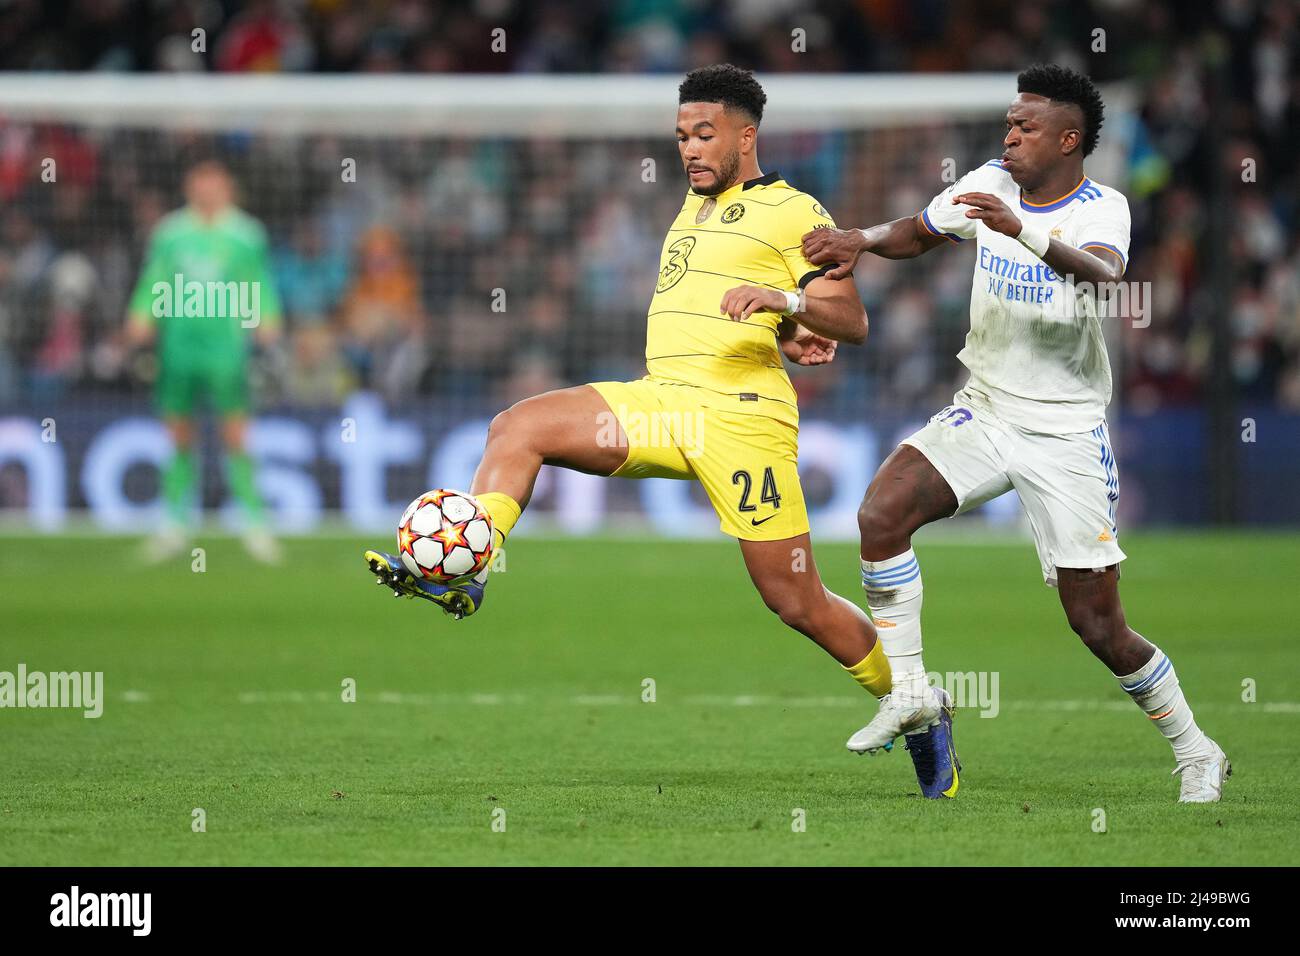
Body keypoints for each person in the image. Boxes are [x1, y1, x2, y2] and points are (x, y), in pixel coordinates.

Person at [363, 64, 960, 798]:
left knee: (795, 602)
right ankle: (474, 563)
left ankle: (920, 708)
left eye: (704, 134)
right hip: (663, 401)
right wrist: (785, 330)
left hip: (744, 421)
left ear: (747, 135)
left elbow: (851, 320)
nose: (689, 149)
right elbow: (742, 314)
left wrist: (786, 305)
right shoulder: (694, 205)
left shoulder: (794, 210)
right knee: (519, 426)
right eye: (681, 136)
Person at [802, 64, 1228, 802]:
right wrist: (860, 239)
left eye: (1024, 127)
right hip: (989, 406)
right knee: (880, 515)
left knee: (1097, 624)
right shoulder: (989, 182)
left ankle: (1196, 749)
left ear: (1069, 139)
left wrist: (1022, 230)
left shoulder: (1103, 207)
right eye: (1008, 122)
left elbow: (1104, 277)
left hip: (1063, 430)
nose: (1009, 135)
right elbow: (921, 231)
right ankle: (909, 691)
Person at [127, 160, 282, 564]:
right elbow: (155, 279)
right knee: (179, 434)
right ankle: (174, 523)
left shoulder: (245, 234)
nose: (207, 191)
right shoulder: (171, 233)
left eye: (215, 184)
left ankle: (253, 523)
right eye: (201, 183)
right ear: (189, 187)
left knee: (236, 433)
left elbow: (257, 280)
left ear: (227, 188)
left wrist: (267, 315)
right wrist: (142, 312)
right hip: (179, 346)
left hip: (226, 348)